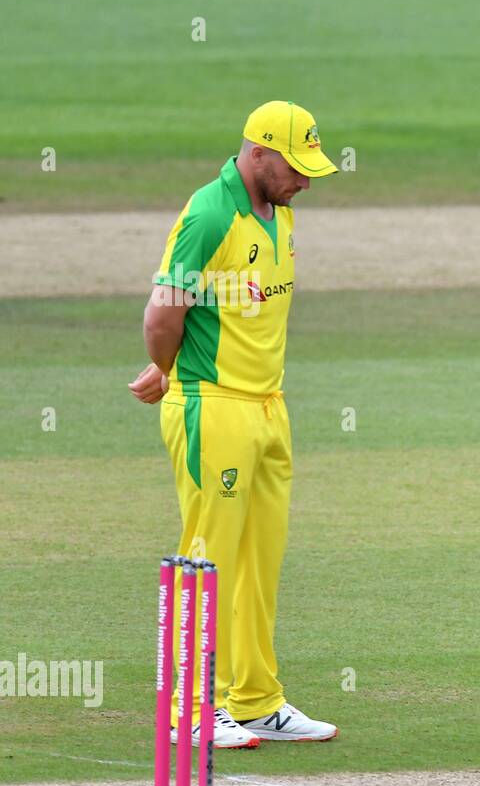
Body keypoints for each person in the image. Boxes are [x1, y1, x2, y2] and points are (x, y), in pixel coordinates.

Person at [128, 101, 339, 748]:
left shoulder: (280, 212)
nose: (304, 180)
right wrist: (165, 370)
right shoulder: (209, 213)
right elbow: (162, 313)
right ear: (257, 154)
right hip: (211, 404)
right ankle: (188, 708)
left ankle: (254, 699)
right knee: (207, 557)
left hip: (270, 407)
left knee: (259, 560)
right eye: (295, 167)